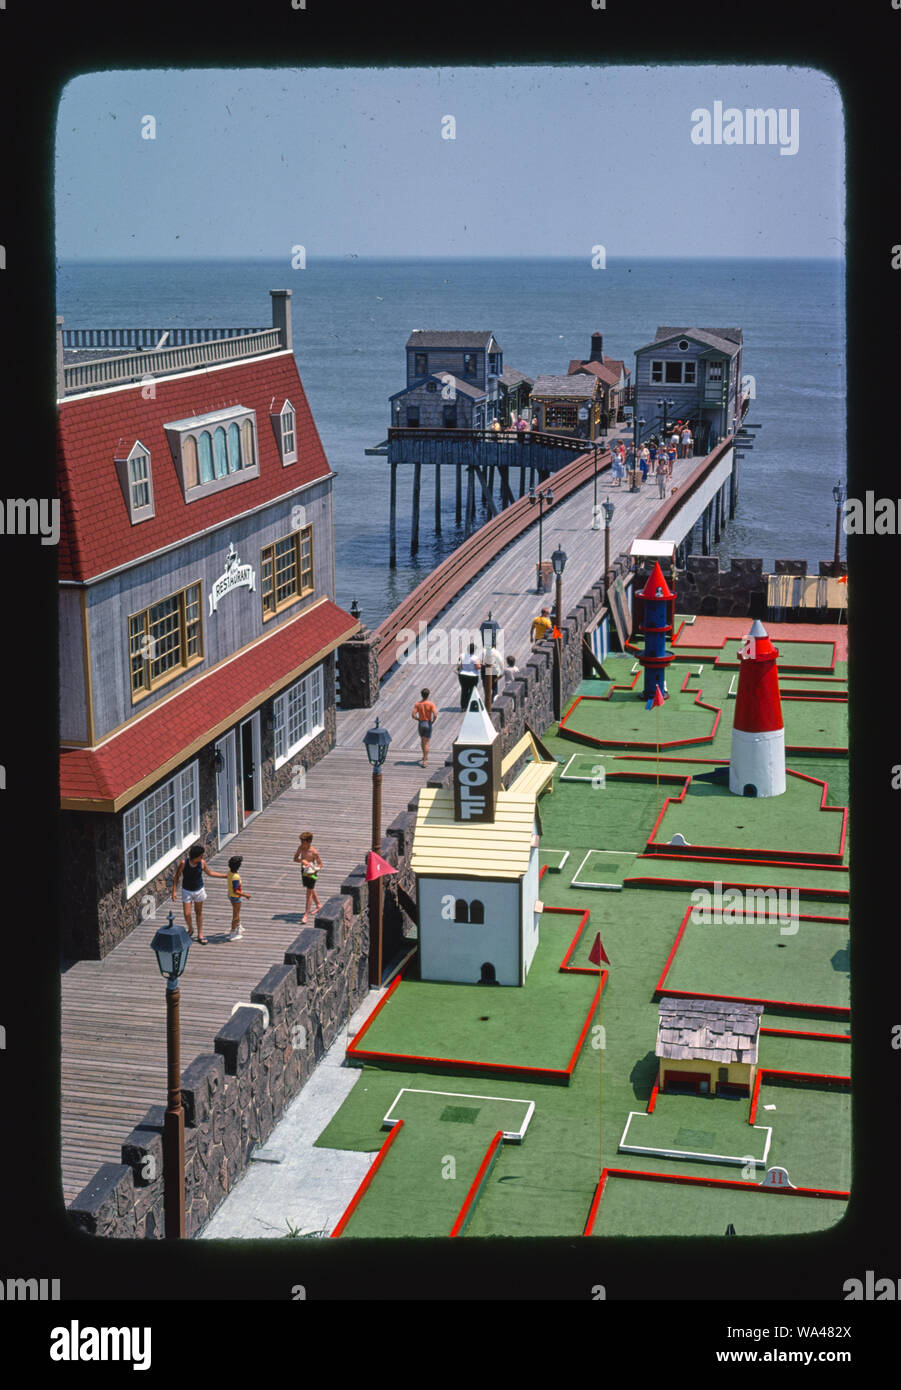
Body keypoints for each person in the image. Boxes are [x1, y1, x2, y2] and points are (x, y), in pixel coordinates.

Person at [172, 842, 227, 944]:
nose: (202, 857)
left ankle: (200, 934)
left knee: (198, 913)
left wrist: (225, 876)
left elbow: (210, 873)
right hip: (187, 891)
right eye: (201, 856)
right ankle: (190, 929)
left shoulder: (202, 863)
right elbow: (177, 877)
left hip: (199, 890)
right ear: (195, 856)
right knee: (187, 913)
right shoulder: (184, 863)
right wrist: (174, 891)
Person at [293, 831, 323, 924]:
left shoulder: (314, 852)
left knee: (308, 893)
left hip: (311, 873)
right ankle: (318, 905)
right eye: (301, 841)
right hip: (304, 871)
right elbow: (295, 858)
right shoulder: (301, 848)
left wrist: (314, 870)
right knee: (310, 889)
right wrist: (302, 861)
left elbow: (320, 864)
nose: (301, 843)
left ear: (308, 841)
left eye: (303, 841)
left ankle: (306, 915)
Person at [226, 855, 251, 941]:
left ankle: (239, 925)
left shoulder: (229, 873)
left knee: (237, 912)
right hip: (235, 897)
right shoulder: (236, 877)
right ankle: (233, 933)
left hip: (230, 895)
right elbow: (236, 891)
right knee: (235, 915)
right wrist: (246, 895)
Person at [411, 687, 438, 767]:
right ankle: (425, 761)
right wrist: (432, 721)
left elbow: (413, 715)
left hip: (421, 723)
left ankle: (424, 755)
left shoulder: (418, 704)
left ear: (421, 695)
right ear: (428, 695)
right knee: (426, 743)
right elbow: (435, 715)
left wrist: (418, 719)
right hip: (428, 723)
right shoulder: (431, 704)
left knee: (422, 740)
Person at [456, 643, 481, 709]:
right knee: (472, 691)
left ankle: (463, 706)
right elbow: (478, 667)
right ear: (474, 650)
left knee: (464, 690)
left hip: (463, 675)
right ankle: (471, 705)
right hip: (473, 676)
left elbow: (459, 664)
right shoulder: (475, 658)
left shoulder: (462, 655)